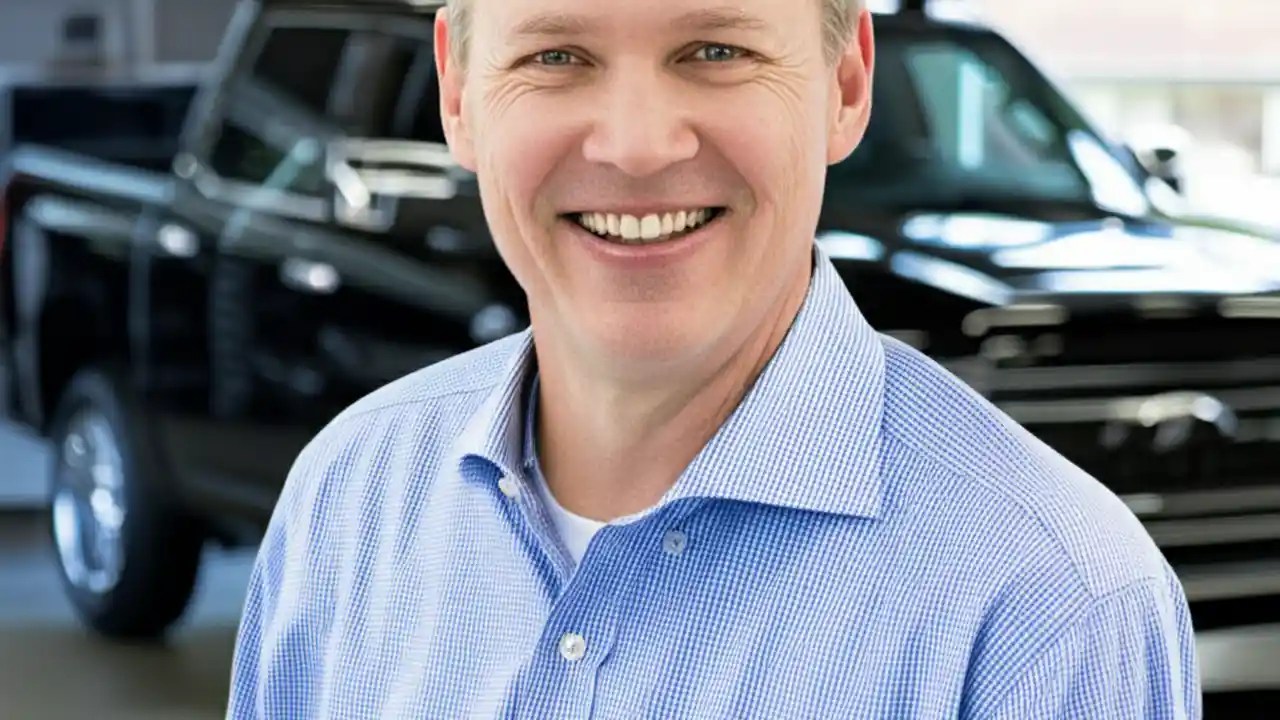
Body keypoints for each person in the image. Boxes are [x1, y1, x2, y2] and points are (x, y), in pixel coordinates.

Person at [228, 0, 1201, 717]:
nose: (636, 146)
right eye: (556, 55)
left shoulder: (1051, 606)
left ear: (844, 86)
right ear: (459, 94)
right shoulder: (345, 499)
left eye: (715, 51)